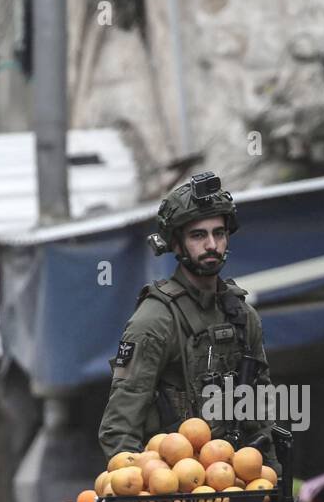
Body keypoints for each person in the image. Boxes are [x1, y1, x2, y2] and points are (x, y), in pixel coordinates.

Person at [98, 172, 279, 469]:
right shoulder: (154, 321)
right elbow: (119, 427)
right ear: (176, 244)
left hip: (234, 483)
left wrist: (273, 480)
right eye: (198, 235)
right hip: (173, 487)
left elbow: (262, 413)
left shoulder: (243, 317)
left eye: (218, 233)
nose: (211, 245)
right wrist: (143, 491)